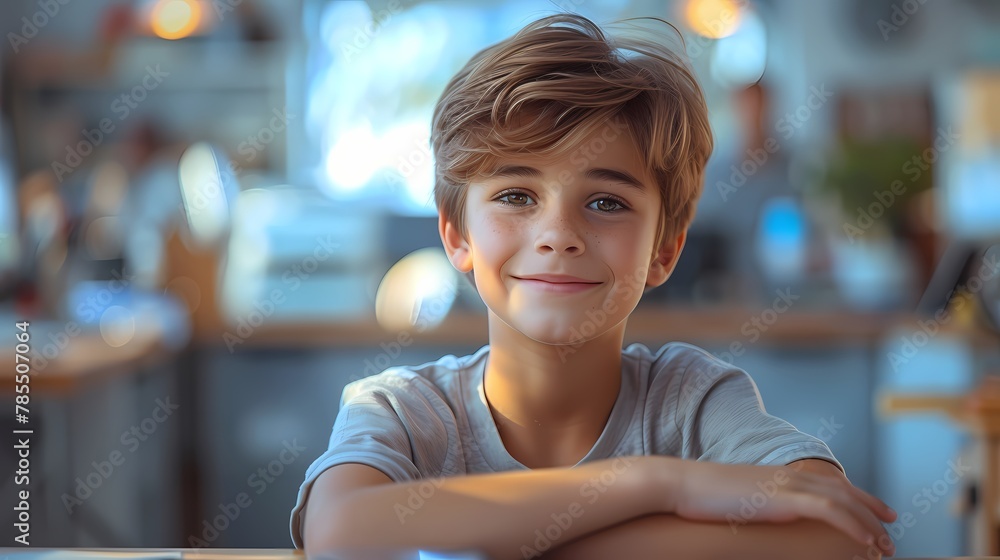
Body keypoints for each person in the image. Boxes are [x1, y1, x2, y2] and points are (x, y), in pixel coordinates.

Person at [291, 13, 897, 560]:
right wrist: (656, 483)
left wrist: (505, 539)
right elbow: (342, 534)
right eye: (516, 196)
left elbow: (841, 535)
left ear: (664, 249)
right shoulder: (400, 409)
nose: (559, 235)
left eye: (606, 202)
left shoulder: (694, 400)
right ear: (458, 235)